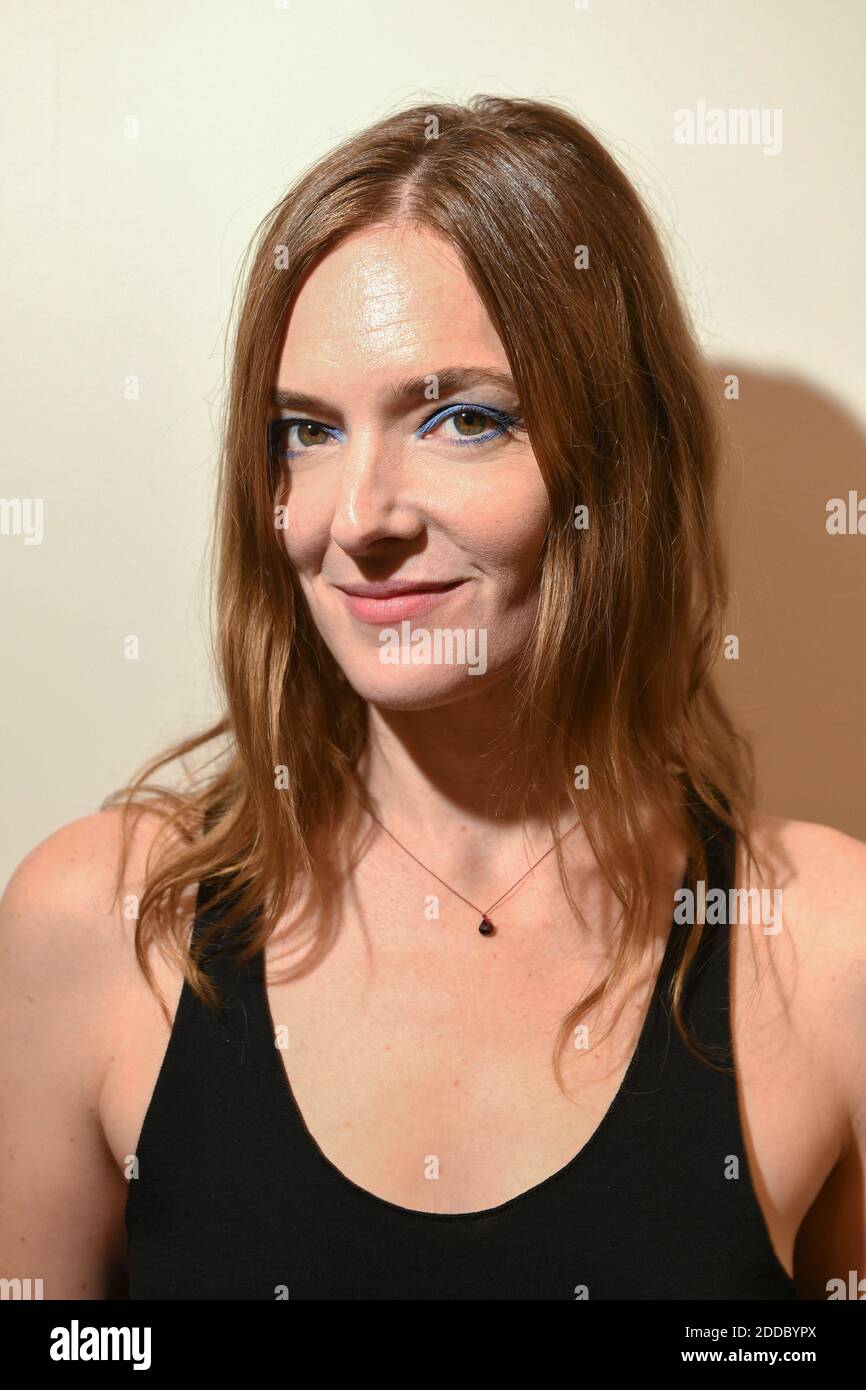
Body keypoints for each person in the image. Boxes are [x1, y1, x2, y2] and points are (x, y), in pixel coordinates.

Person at [1, 95, 864, 1301]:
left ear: (620, 463)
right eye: (305, 431)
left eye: (461, 418)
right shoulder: (97, 927)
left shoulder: (826, 948)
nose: (359, 519)